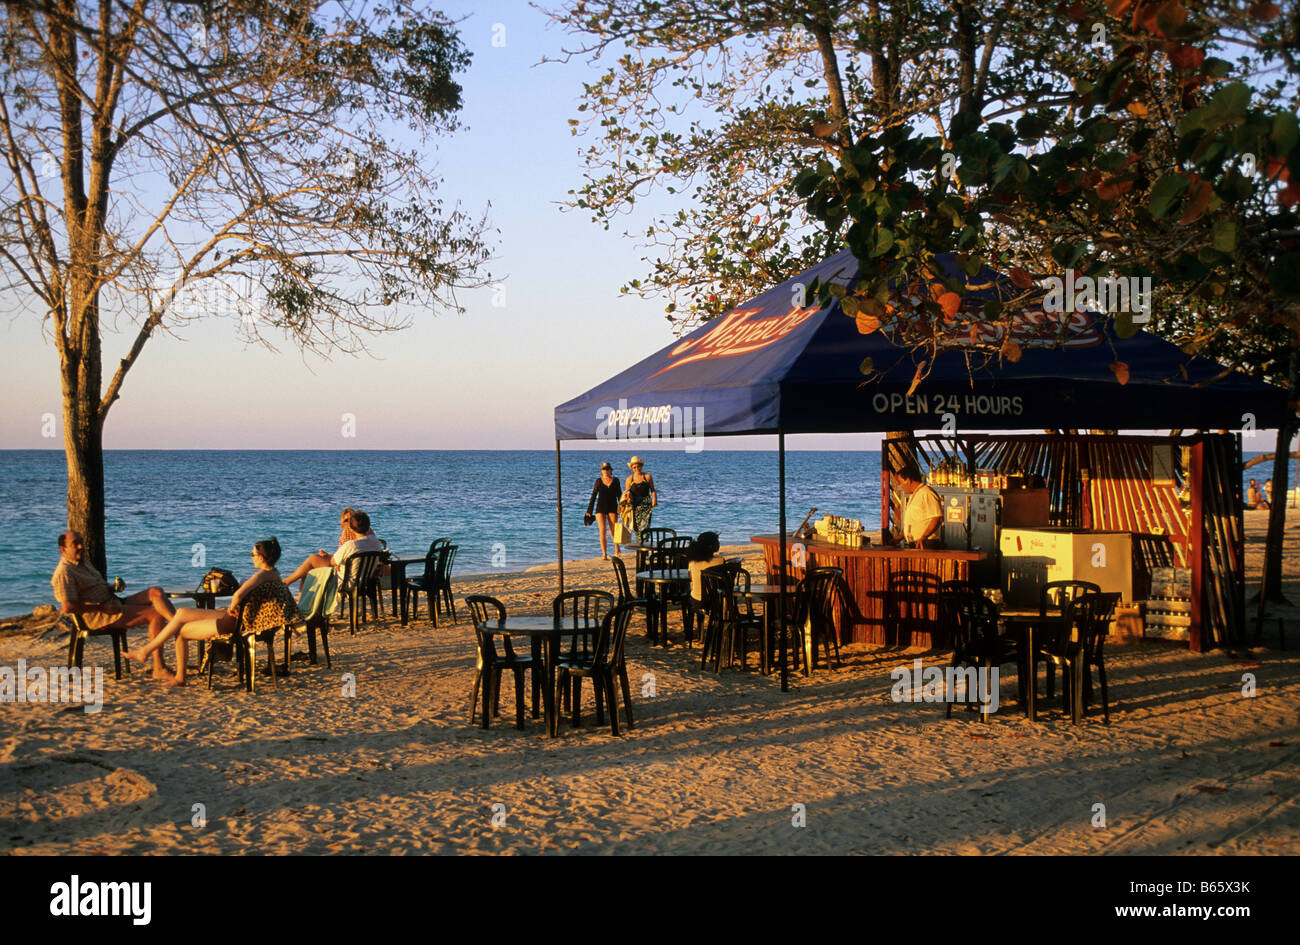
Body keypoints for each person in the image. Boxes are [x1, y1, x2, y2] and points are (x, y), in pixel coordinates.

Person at [126, 537, 298, 686]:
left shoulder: (261, 575)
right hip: (243, 619)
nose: (251, 557)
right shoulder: (274, 574)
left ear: (261, 557)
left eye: (252, 554)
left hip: (235, 624)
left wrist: (232, 606)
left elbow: (238, 594)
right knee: (181, 613)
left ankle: (174, 673)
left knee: (181, 630)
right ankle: (147, 652)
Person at [52, 530, 177, 680]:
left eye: (81, 542)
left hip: (112, 602)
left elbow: (95, 588)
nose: (80, 546)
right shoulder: (64, 572)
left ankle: (176, 624)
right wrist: (100, 608)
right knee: (155, 614)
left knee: (156, 592)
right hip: (100, 615)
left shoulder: (82, 561)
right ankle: (159, 667)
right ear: (63, 549)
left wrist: (113, 587)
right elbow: (68, 607)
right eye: (75, 544)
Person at [281, 509, 383, 593]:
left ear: (351, 528)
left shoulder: (351, 545)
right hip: (366, 581)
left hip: (345, 582)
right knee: (309, 567)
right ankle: (295, 593)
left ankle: (288, 584)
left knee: (311, 562)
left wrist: (328, 556)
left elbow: (333, 562)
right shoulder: (376, 543)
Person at [684, 531, 726, 642]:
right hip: (717, 602)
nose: (719, 544)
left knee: (691, 594)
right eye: (717, 542)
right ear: (712, 546)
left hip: (698, 600)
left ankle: (699, 634)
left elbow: (691, 578)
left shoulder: (693, 562)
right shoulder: (720, 561)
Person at [891, 462, 943, 549]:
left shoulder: (926, 493)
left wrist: (924, 537)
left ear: (908, 480)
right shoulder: (914, 495)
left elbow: (937, 518)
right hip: (916, 542)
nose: (900, 486)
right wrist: (898, 538)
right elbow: (913, 521)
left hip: (926, 543)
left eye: (900, 483)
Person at [585, 462, 623, 559]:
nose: (605, 470)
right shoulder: (598, 481)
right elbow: (593, 496)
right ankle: (604, 554)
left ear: (611, 470)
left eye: (607, 468)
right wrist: (589, 510)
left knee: (613, 530)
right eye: (603, 469)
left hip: (613, 507)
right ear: (601, 471)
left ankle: (617, 550)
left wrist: (623, 508)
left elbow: (620, 495)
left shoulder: (616, 480)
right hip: (600, 507)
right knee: (602, 531)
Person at [623, 456, 658, 543]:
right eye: (634, 467)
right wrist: (627, 499)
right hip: (634, 506)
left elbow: (653, 490)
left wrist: (654, 499)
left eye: (638, 466)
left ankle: (644, 548)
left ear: (641, 466)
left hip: (646, 505)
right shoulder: (629, 479)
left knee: (645, 528)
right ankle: (640, 550)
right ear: (631, 468)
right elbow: (627, 494)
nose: (637, 468)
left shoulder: (647, 477)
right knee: (637, 530)